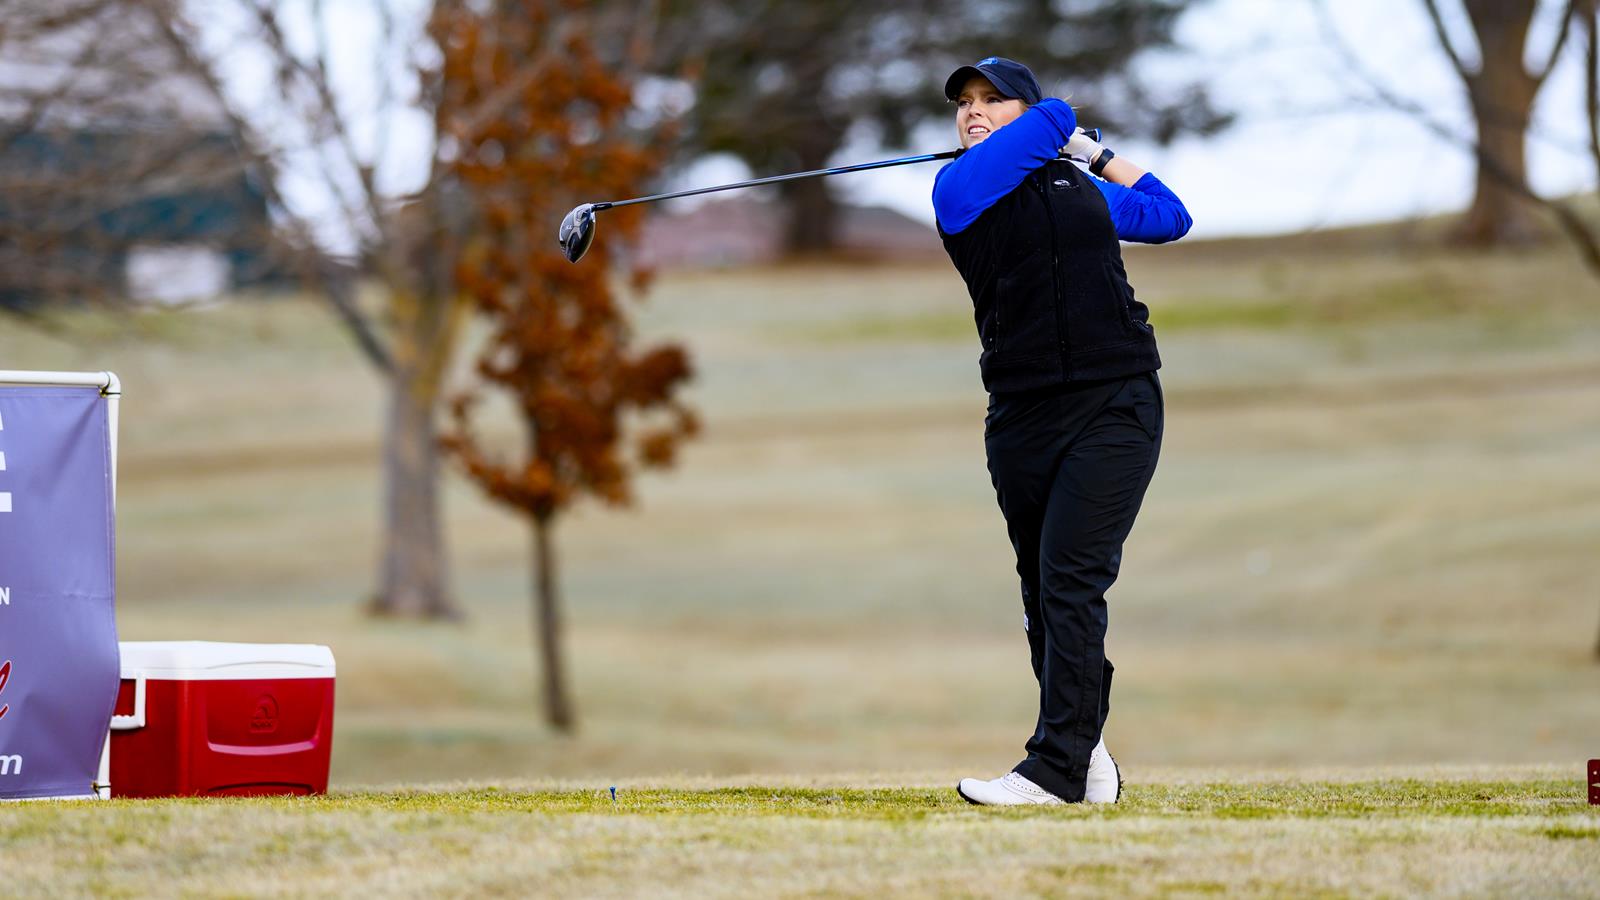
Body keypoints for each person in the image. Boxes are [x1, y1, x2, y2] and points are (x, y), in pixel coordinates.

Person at [932, 57, 1192, 805]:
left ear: (1023, 110)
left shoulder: (1078, 187)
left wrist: (1092, 155)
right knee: (1042, 590)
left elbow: (1170, 215)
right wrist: (1059, 128)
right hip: (1021, 413)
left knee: (1073, 579)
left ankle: (1053, 770)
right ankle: (1087, 752)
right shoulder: (958, 189)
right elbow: (1056, 115)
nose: (973, 111)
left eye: (992, 100)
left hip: (1116, 402)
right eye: (964, 102)